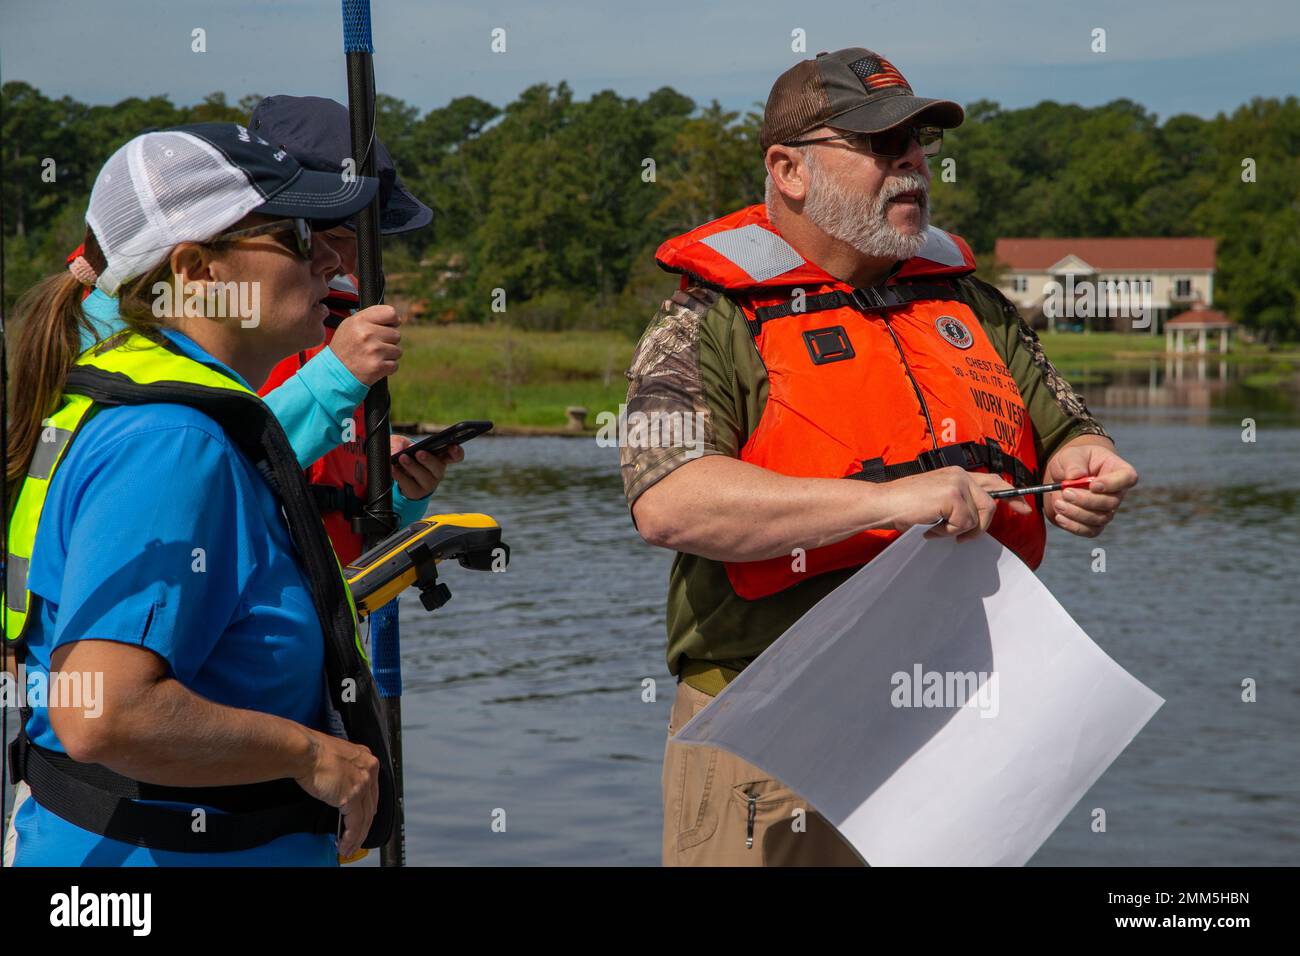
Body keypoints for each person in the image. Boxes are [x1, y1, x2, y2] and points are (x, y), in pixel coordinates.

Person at [622, 48, 1140, 866]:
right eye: (878, 144)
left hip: (957, 724)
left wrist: (1089, 464)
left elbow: (1067, 427)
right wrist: (890, 501)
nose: (910, 164)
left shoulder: (973, 304)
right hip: (775, 738)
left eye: (918, 143)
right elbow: (670, 502)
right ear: (787, 169)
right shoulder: (704, 320)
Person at [4, 123, 394, 865]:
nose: (329, 263)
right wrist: (313, 756)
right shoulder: (172, 442)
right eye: (297, 237)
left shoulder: (157, 407)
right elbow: (103, 711)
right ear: (197, 269)